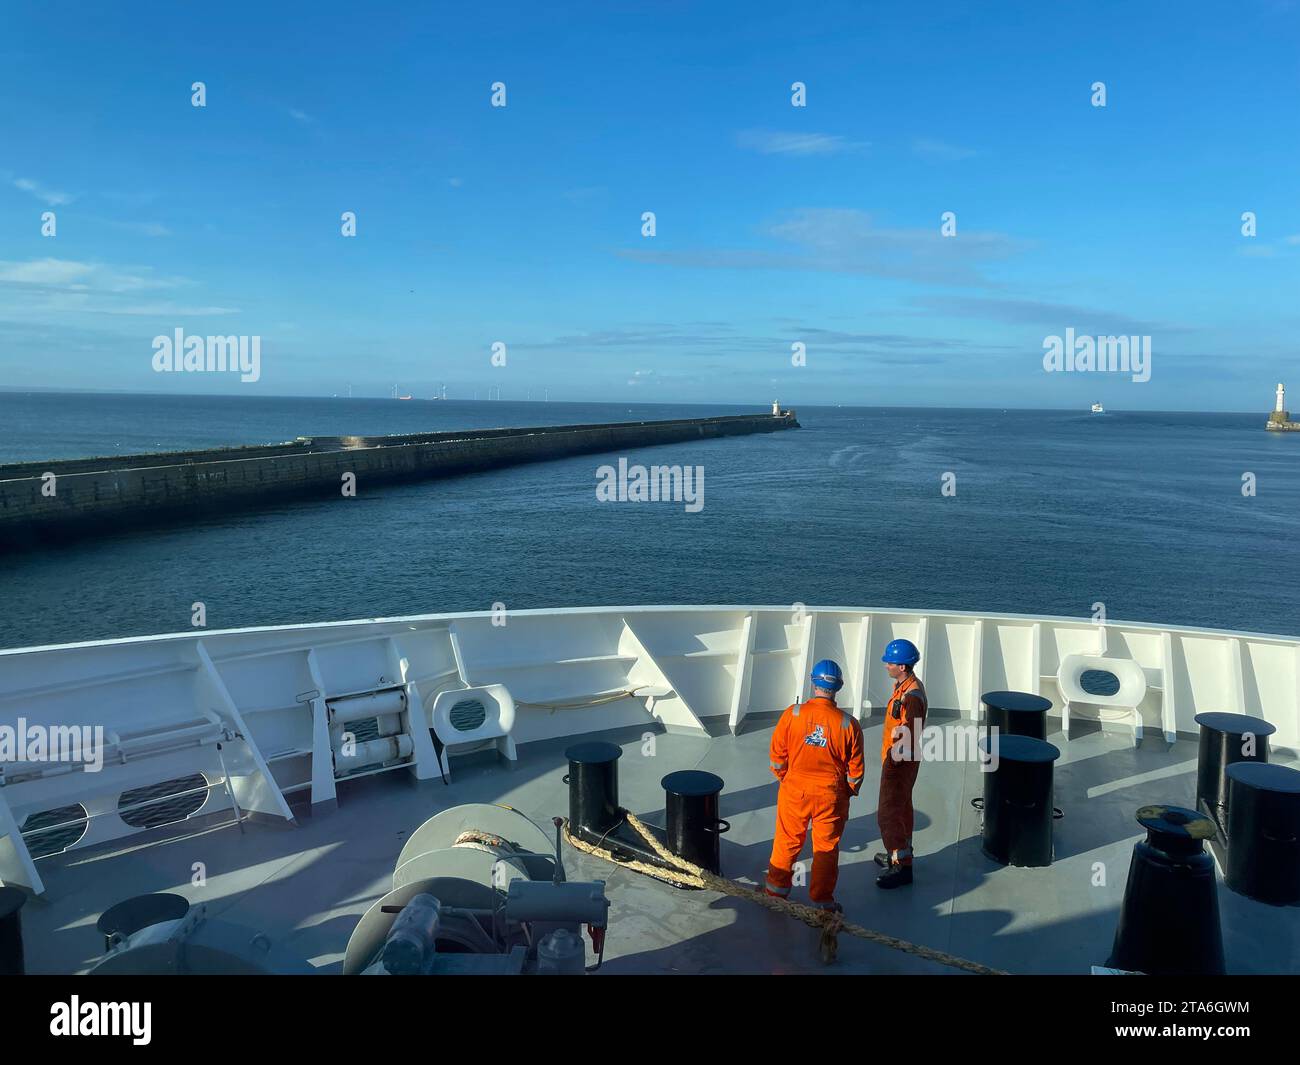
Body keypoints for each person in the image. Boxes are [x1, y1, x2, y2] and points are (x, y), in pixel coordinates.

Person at [765, 659, 865, 910]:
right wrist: (846, 793)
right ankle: (822, 900)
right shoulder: (848, 724)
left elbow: (777, 757)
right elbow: (855, 772)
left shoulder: (793, 714)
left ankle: (776, 891)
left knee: (788, 840)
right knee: (826, 848)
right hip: (830, 796)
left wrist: (786, 780)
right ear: (838, 687)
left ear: (813, 682)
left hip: (794, 790)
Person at [875, 638, 926, 888]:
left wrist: (892, 764)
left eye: (890, 662)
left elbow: (909, 733)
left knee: (889, 813)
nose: (886, 665)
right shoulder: (904, 687)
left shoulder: (912, 696)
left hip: (899, 763)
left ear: (902, 667)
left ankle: (900, 868)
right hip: (901, 760)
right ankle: (900, 854)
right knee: (902, 809)